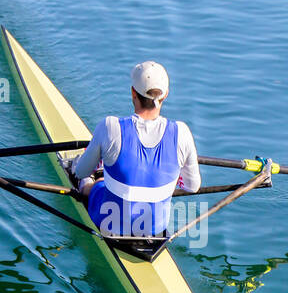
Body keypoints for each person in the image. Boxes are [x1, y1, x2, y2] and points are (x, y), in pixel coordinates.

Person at [71, 58, 200, 237]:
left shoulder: (110, 127)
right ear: (166, 94)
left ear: (133, 92)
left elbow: (81, 172)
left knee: (90, 180)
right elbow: (192, 187)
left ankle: (95, 178)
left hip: (109, 223)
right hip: (154, 228)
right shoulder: (182, 133)